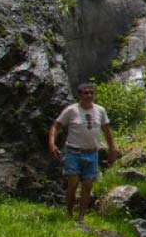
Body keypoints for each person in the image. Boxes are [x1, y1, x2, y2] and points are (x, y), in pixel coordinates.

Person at [48, 83, 118, 223]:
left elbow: (106, 131)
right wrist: (52, 143)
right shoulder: (71, 110)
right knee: (72, 184)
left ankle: (81, 218)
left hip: (92, 153)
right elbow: (56, 125)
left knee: (87, 185)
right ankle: (69, 214)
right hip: (74, 152)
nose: (89, 95)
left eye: (91, 93)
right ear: (79, 95)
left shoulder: (100, 111)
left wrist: (112, 149)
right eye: (85, 93)